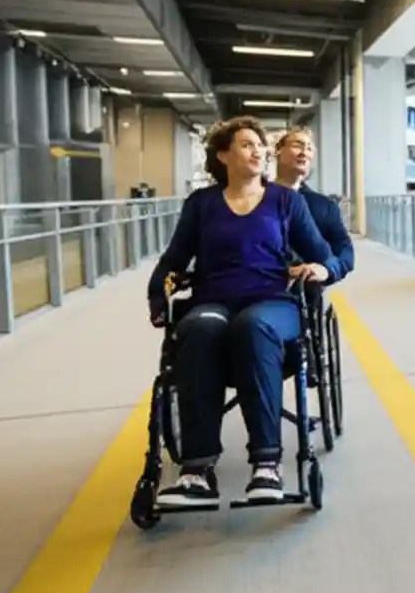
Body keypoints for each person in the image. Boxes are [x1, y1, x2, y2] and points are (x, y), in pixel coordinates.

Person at [146, 116, 344, 507]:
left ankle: (266, 464)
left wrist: (326, 269)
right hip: (213, 301)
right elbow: (173, 260)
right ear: (223, 155)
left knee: (254, 327)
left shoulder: (285, 201)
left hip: (272, 302)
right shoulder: (201, 205)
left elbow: (324, 255)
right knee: (199, 329)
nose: (258, 151)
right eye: (247, 144)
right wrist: (157, 299)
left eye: (260, 145)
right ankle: (197, 471)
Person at [271, 127, 355, 282]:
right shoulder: (256, 197)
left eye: (309, 149)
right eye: (297, 145)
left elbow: (345, 253)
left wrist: (328, 270)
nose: (304, 152)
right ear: (278, 151)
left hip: (304, 292)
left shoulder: (325, 206)